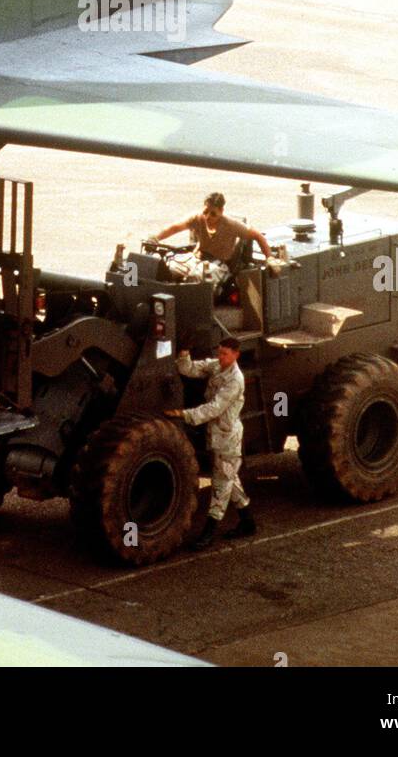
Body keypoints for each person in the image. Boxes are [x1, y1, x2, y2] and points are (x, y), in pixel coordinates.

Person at [166, 336, 255, 549]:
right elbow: (190, 369)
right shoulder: (217, 366)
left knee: (220, 485)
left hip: (227, 438)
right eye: (219, 352)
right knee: (229, 479)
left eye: (225, 354)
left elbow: (214, 408)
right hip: (217, 434)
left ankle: (209, 532)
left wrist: (183, 414)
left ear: (236, 355)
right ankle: (248, 522)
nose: (220, 357)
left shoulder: (235, 380)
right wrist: (184, 353)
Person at [151, 191, 271, 288]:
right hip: (195, 259)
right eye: (205, 212)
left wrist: (269, 258)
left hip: (218, 265)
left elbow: (258, 236)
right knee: (165, 268)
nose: (208, 217)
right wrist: (155, 238)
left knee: (196, 279)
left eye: (213, 214)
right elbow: (175, 228)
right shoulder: (198, 218)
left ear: (221, 211)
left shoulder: (231, 225)